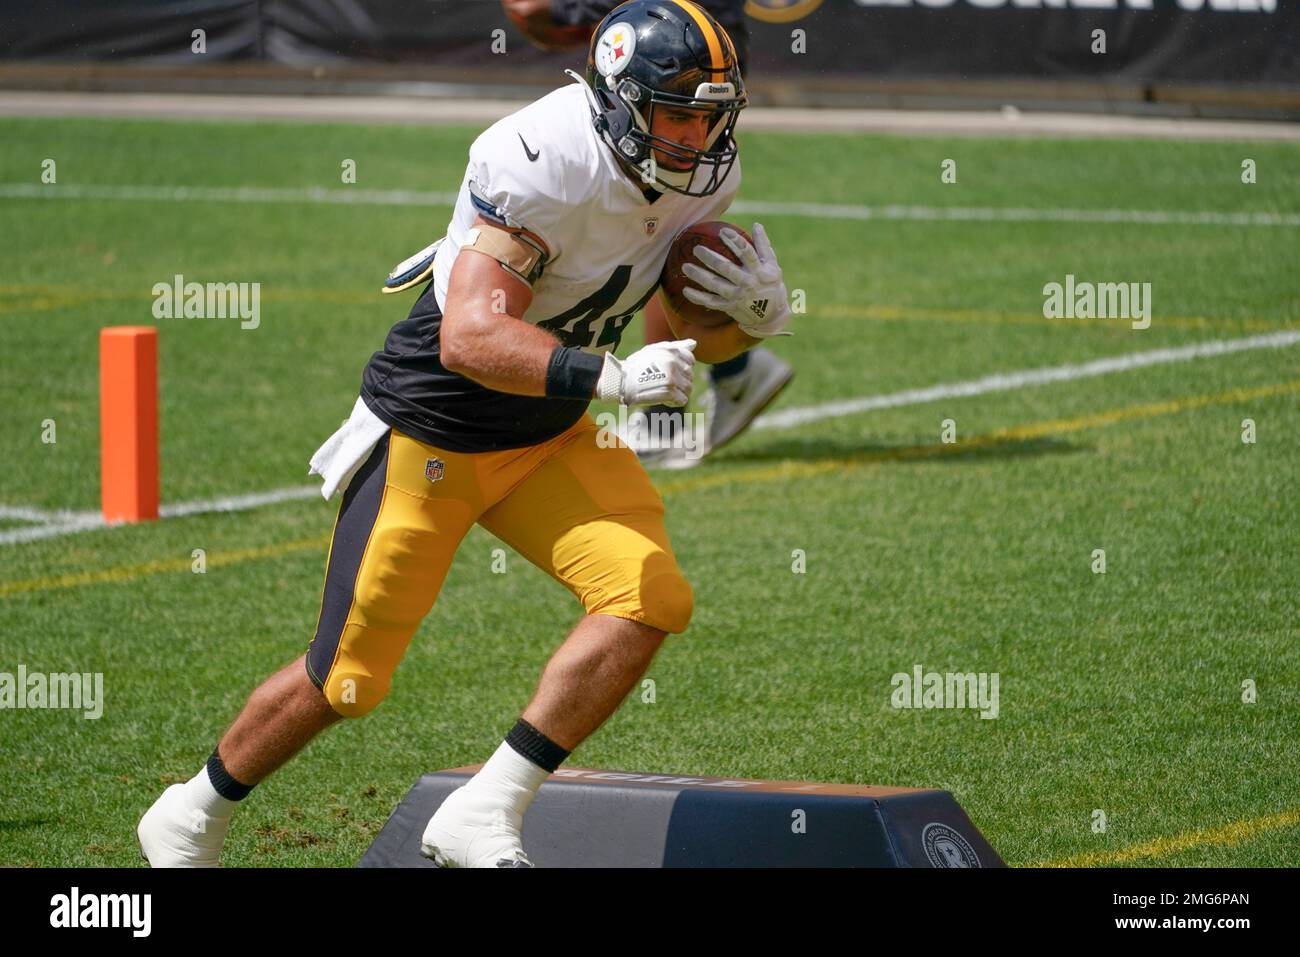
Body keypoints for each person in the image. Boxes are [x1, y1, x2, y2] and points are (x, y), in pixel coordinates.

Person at [136, 0, 793, 868]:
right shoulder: (540, 157)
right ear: (619, 101)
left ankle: (486, 808)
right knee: (348, 680)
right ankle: (189, 813)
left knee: (650, 598)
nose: (698, 135)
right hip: (437, 429)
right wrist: (610, 375)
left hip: (550, 433)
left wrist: (743, 324)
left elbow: (671, 326)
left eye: (714, 115)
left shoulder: (705, 170)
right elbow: (471, 337)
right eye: (679, 112)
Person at [504, 0, 793, 468]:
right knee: (648, 233)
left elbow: (533, 11)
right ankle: (725, 382)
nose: (701, 139)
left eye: (708, 124)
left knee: (658, 235)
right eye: (689, 121)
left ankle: (665, 415)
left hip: (675, 58)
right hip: (699, 45)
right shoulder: (535, 151)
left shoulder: (715, 169)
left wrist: (757, 320)